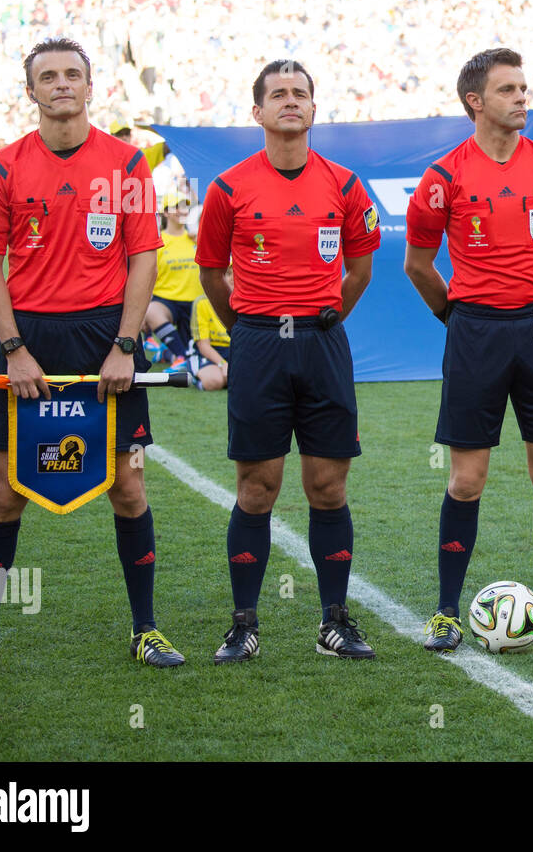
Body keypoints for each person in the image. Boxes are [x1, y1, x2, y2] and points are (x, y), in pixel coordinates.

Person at [0, 37, 184, 676]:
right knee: (7, 494)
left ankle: (147, 629)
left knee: (129, 487)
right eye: (47, 77)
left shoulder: (129, 166)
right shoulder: (2, 167)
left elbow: (143, 257)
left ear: (90, 87)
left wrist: (125, 346)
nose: (61, 84)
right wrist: (15, 350)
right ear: (31, 91)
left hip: (105, 337)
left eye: (72, 75)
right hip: (30, 339)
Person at [404, 48, 533, 652]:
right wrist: (457, 317)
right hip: (475, 334)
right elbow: (418, 263)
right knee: (468, 479)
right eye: (509, 89)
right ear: (475, 102)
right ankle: (445, 612)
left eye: (524, 87)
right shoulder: (444, 177)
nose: (522, 98)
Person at [196, 59, 380, 663]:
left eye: (301, 93)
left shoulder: (347, 185)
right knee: (257, 488)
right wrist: (248, 332)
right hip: (257, 345)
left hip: (324, 344)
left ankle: (334, 622)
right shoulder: (227, 188)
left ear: (314, 108)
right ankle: (244, 624)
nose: (290, 102)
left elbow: (360, 269)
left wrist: (325, 320)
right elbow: (211, 273)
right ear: (258, 112)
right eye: (278, 94)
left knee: (327, 487)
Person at [143, 194, 199, 370]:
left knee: (197, 349)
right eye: (176, 206)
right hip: (167, 301)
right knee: (151, 312)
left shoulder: (197, 238)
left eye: (185, 206)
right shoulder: (158, 241)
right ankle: (182, 358)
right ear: (165, 213)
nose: (182, 211)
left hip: (195, 303)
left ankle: (167, 353)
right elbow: (147, 276)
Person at [190, 269, 231, 391]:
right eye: (228, 274)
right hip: (211, 352)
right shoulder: (202, 302)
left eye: (237, 274)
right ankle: (196, 374)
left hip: (235, 352)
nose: (233, 278)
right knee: (213, 382)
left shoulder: (245, 302)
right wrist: (223, 364)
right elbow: (203, 346)